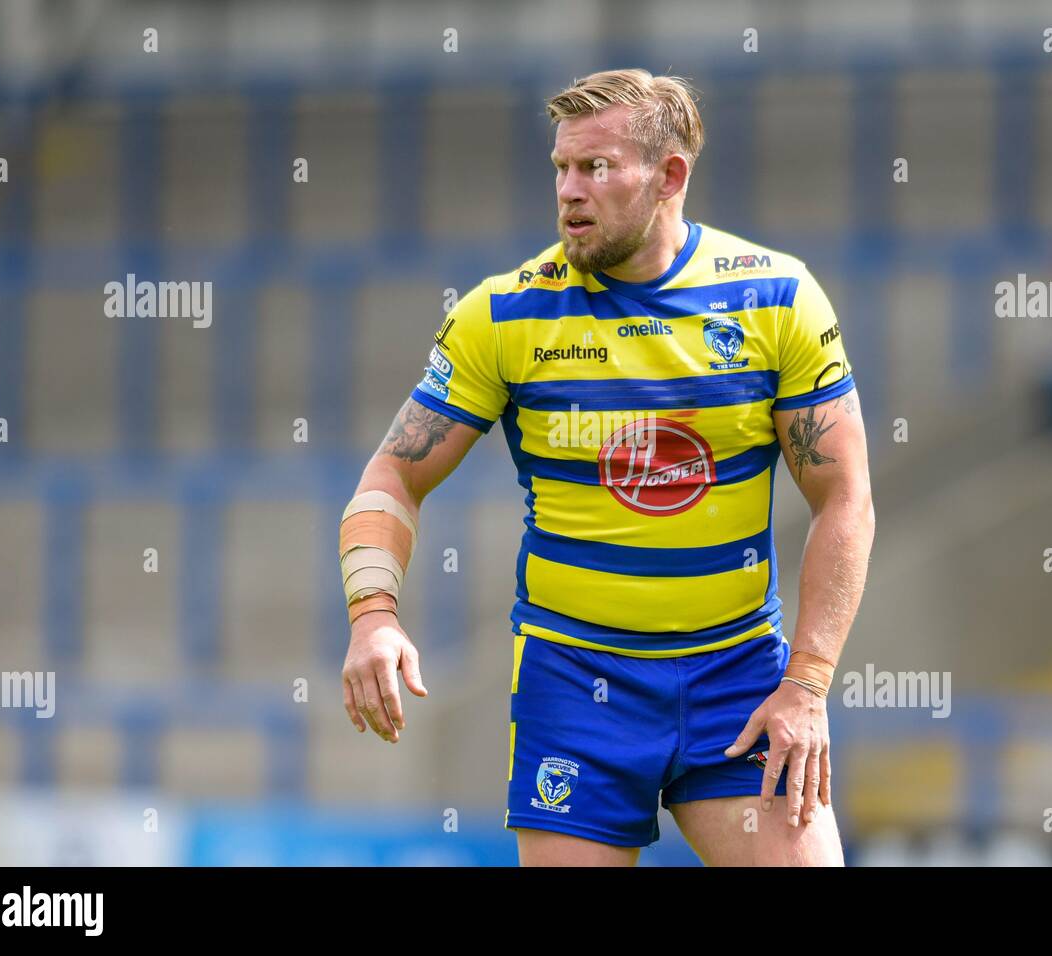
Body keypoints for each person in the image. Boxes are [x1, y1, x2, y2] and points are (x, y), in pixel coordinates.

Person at [339, 68, 874, 866]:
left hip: (738, 677)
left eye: (596, 167)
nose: (570, 191)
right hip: (575, 678)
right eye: (561, 167)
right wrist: (373, 615)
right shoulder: (503, 315)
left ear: (670, 177)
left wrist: (808, 682)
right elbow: (392, 477)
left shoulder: (776, 297)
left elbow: (846, 500)